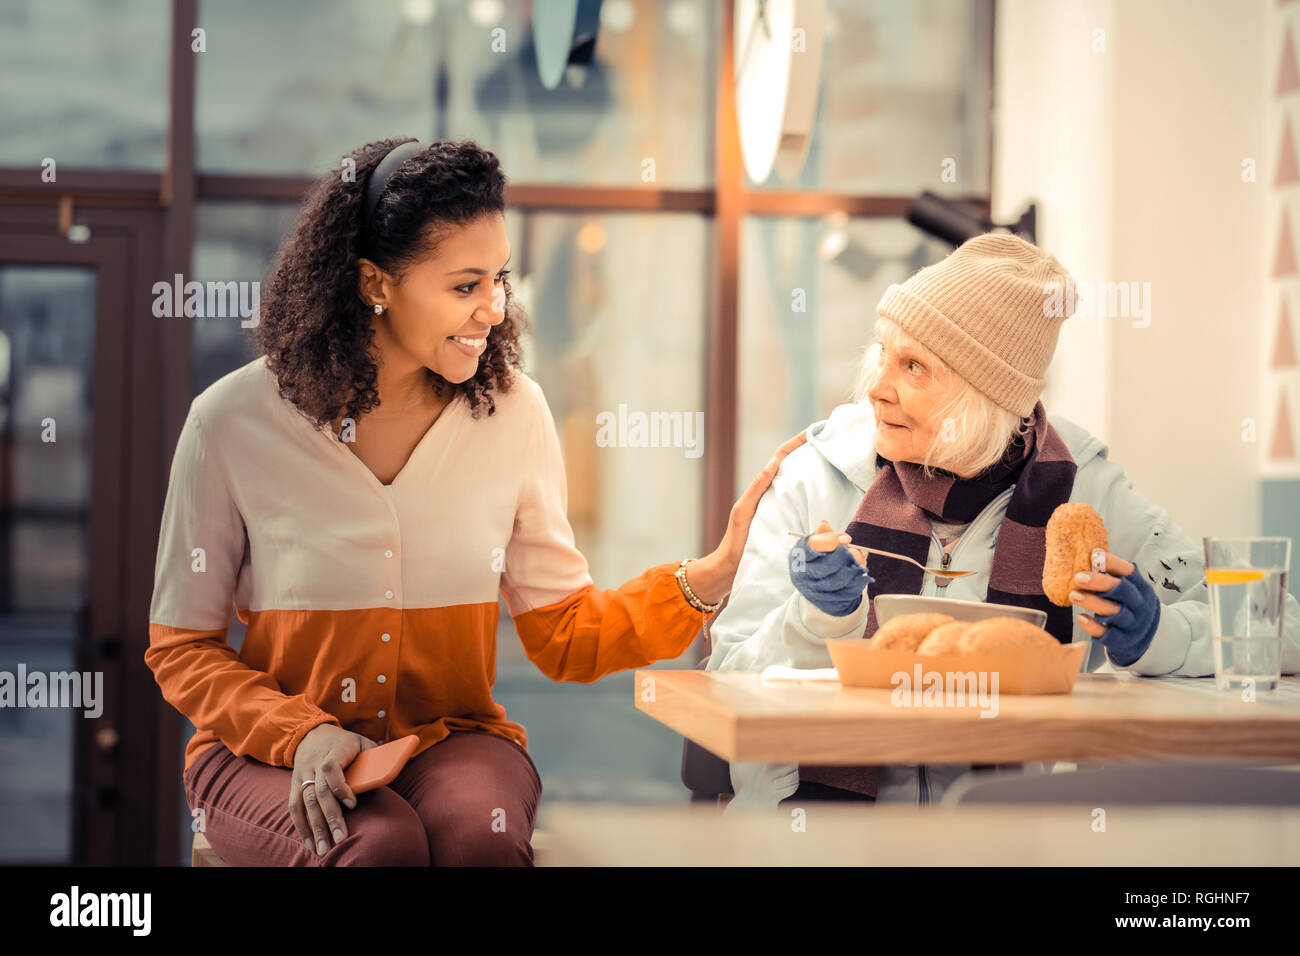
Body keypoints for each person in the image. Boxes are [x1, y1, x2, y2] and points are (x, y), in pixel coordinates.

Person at [145, 138, 805, 865]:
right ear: (375, 283)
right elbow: (183, 649)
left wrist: (706, 579)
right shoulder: (232, 422)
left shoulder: (514, 414)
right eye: (465, 287)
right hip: (262, 757)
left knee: (475, 838)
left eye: (500, 280)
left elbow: (564, 636)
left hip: (449, 741)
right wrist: (301, 734)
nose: (493, 310)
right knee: (378, 844)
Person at [706, 232, 1300, 811]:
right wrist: (814, 622)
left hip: (1009, 833)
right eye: (882, 355)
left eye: (914, 366)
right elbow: (725, 682)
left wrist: (1157, 637)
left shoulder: (1082, 487)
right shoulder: (812, 477)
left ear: (985, 399)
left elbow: (1278, 625)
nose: (877, 389)